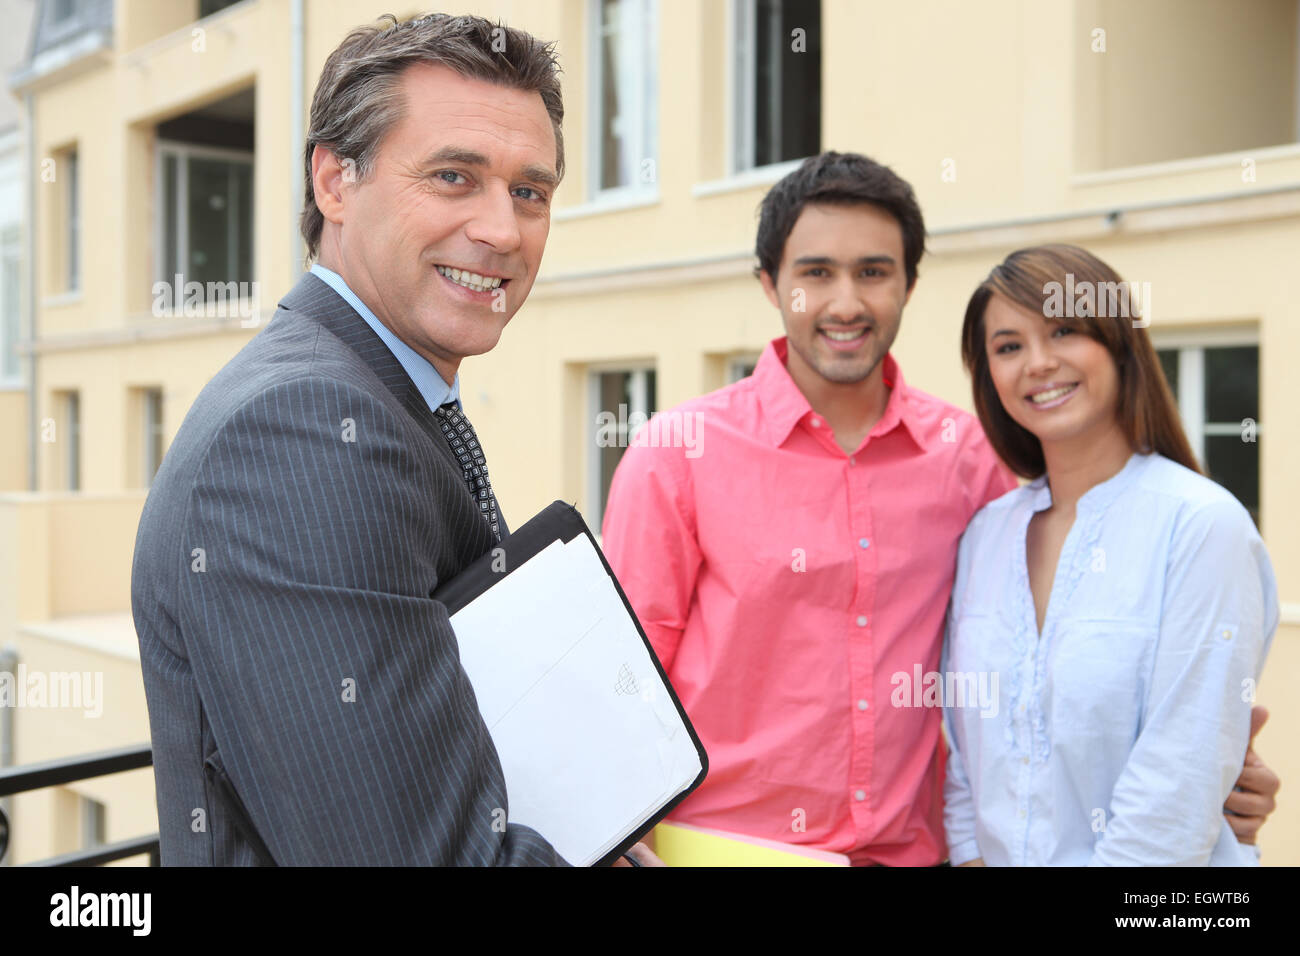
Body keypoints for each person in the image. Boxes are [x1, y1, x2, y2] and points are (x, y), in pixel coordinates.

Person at [600, 153, 1279, 865]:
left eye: (873, 272)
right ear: (771, 284)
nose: (845, 303)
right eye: (815, 273)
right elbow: (622, 678)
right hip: (724, 853)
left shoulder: (973, 466)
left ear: (908, 285)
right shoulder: (678, 454)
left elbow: (1041, 677)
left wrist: (1216, 774)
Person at [132, 13, 658, 866]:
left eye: (531, 191)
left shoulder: (376, 387)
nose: (503, 230)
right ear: (334, 182)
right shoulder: (298, 433)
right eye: (454, 176)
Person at [942, 244, 1278, 865]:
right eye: (1008, 346)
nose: (1038, 363)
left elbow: (1177, 783)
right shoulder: (985, 536)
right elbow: (964, 759)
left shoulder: (1202, 526)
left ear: (1119, 344)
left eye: (1064, 331)